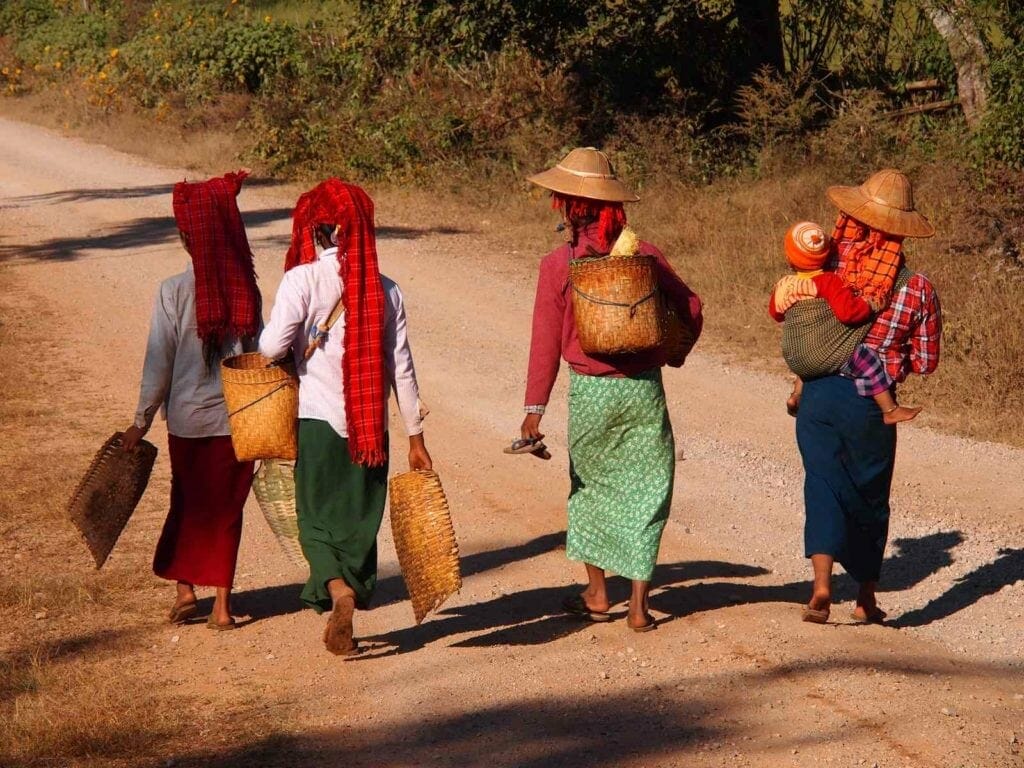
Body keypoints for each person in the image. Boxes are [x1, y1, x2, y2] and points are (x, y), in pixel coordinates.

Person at [520, 147, 704, 632]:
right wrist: (676, 348)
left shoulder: (558, 265)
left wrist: (534, 410)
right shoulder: (644, 256)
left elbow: (544, 341)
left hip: (590, 393)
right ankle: (640, 606)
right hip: (642, 389)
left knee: (591, 490)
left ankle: (599, 593)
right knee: (647, 492)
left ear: (565, 204)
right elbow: (691, 305)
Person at [259, 179, 431, 656]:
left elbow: (272, 347)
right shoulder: (387, 291)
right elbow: (403, 368)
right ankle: (349, 596)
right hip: (369, 430)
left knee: (314, 520)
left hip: (316, 422)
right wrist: (416, 437)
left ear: (321, 230)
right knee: (358, 524)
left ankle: (337, 593)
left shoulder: (302, 279)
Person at [796, 169, 941, 625]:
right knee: (869, 494)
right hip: (869, 403)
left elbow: (802, 330)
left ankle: (821, 585)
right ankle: (864, 598)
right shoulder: (915, 287)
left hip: (817, 393)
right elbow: (927, 359)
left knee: (821, 482)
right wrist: (893, 359)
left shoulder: (824, 270)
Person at [123, 170, 261, 630]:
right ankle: (222, 607)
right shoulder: (246, 289)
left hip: (185, 421)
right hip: (236, 421)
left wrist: (140, 422)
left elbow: (157, 364)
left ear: (186, 237)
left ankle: (186, 589)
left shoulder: (171, 291)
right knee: (226, 511)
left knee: (187, 501)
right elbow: (261, 358)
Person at [769, 220, 921, 424]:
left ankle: (796, 396)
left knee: (810, 355)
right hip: (819, 353)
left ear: (789, 259)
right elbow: (849, 314)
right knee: (867, 361)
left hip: (794, 354)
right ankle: (889, 409)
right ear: (826, 255)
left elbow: (776, 313)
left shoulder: (784, 284)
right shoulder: (828, 282)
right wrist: (871, 305)